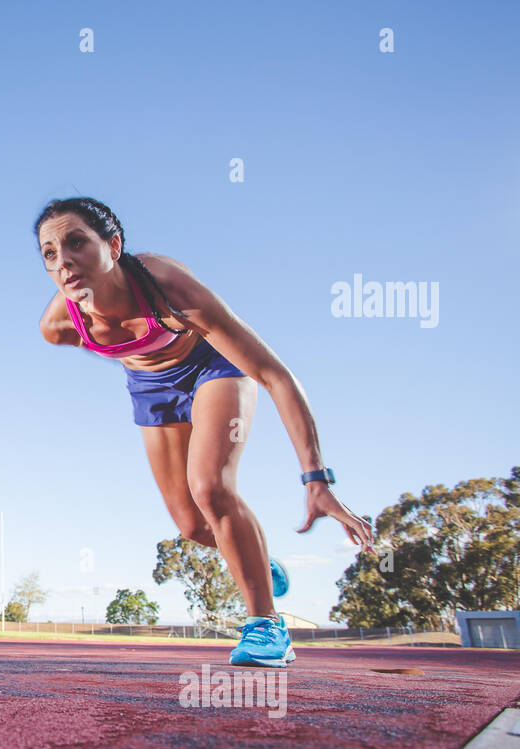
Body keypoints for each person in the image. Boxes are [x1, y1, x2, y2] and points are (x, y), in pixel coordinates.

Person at [35, 197, 376, 667]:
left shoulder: (170, 289)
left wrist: (316, 478)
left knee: (211, 488)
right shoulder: (58, 326)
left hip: (212, 366)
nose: (63, 260)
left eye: (76, 242)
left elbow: (276, 376)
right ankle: (255, 555)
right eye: (49, 253)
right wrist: (148, 369)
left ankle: (266, 628)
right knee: (193, 525)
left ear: (112, 246)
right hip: (150, 386)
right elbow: (123, 351)